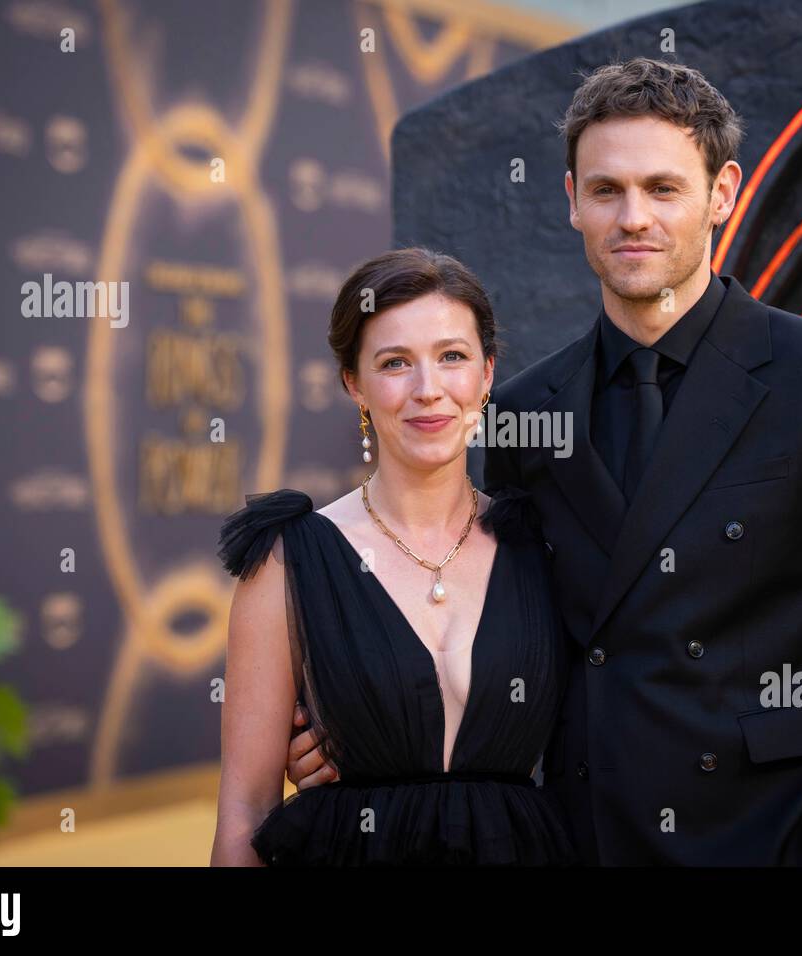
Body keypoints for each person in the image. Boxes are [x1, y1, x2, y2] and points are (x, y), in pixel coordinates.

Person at [290, 57, 802, 865]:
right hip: (586, 841)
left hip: (776, 835)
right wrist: (364, 739)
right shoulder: (526, 413)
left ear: (722, 193)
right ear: (572, 200)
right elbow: (502, 641)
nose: (632, 217)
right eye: (606, 190)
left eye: (663, 188)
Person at [210, 248, 578, 866]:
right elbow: (245, 810)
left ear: (487, 373)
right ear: (353, 383)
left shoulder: (541, 545)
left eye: (452, 357)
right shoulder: (288, 561)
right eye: (395, 363)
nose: (428, 390)